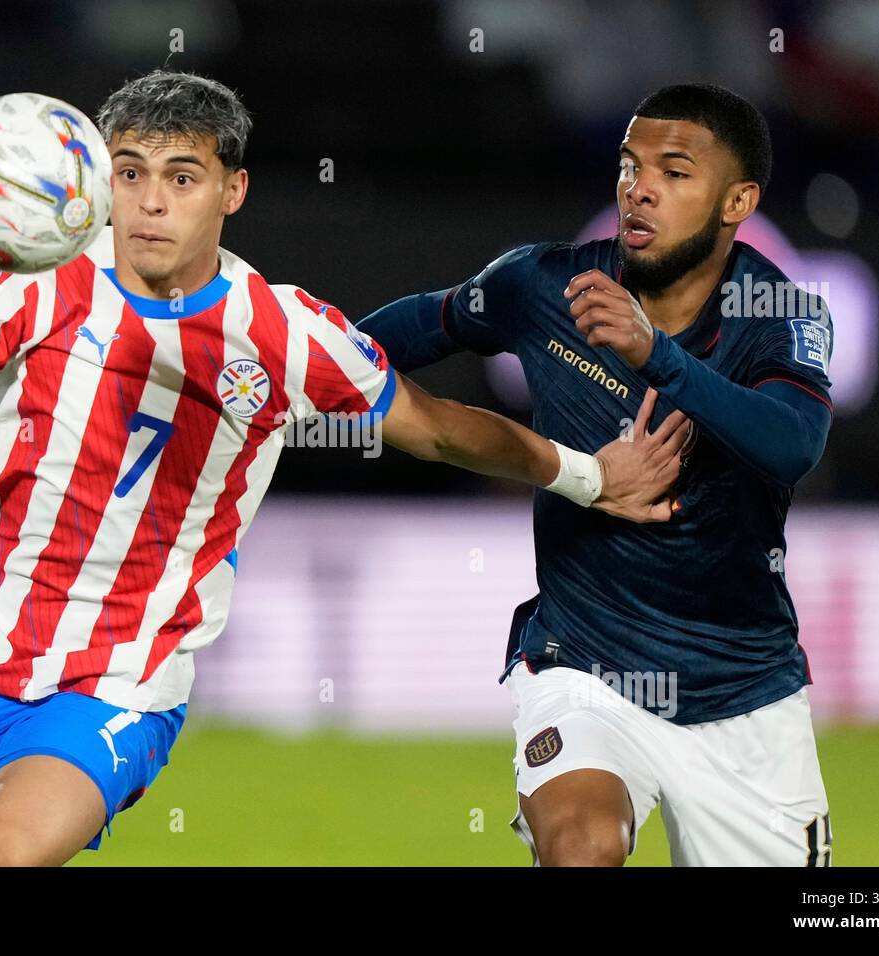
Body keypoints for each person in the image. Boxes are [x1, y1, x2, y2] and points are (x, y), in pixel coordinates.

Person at [0, 70, 686, 867]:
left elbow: (440, 429)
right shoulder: (36, 281)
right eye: (131, 174)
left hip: (116, 683)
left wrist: (588, 475)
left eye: (182, 177)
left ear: (232, 190)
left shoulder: (281, 330)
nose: (152, 203)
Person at [358, 83, 835, 866]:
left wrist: (657, 356)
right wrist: (295, 363)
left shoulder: (778, 312)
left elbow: (791, 444)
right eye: (628, 165)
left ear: (737, 200)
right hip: (585, 668)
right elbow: (407, 331)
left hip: (744, 697)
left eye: (675, 173)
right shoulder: (545, 284)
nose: (638, 188)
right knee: (582, 850)